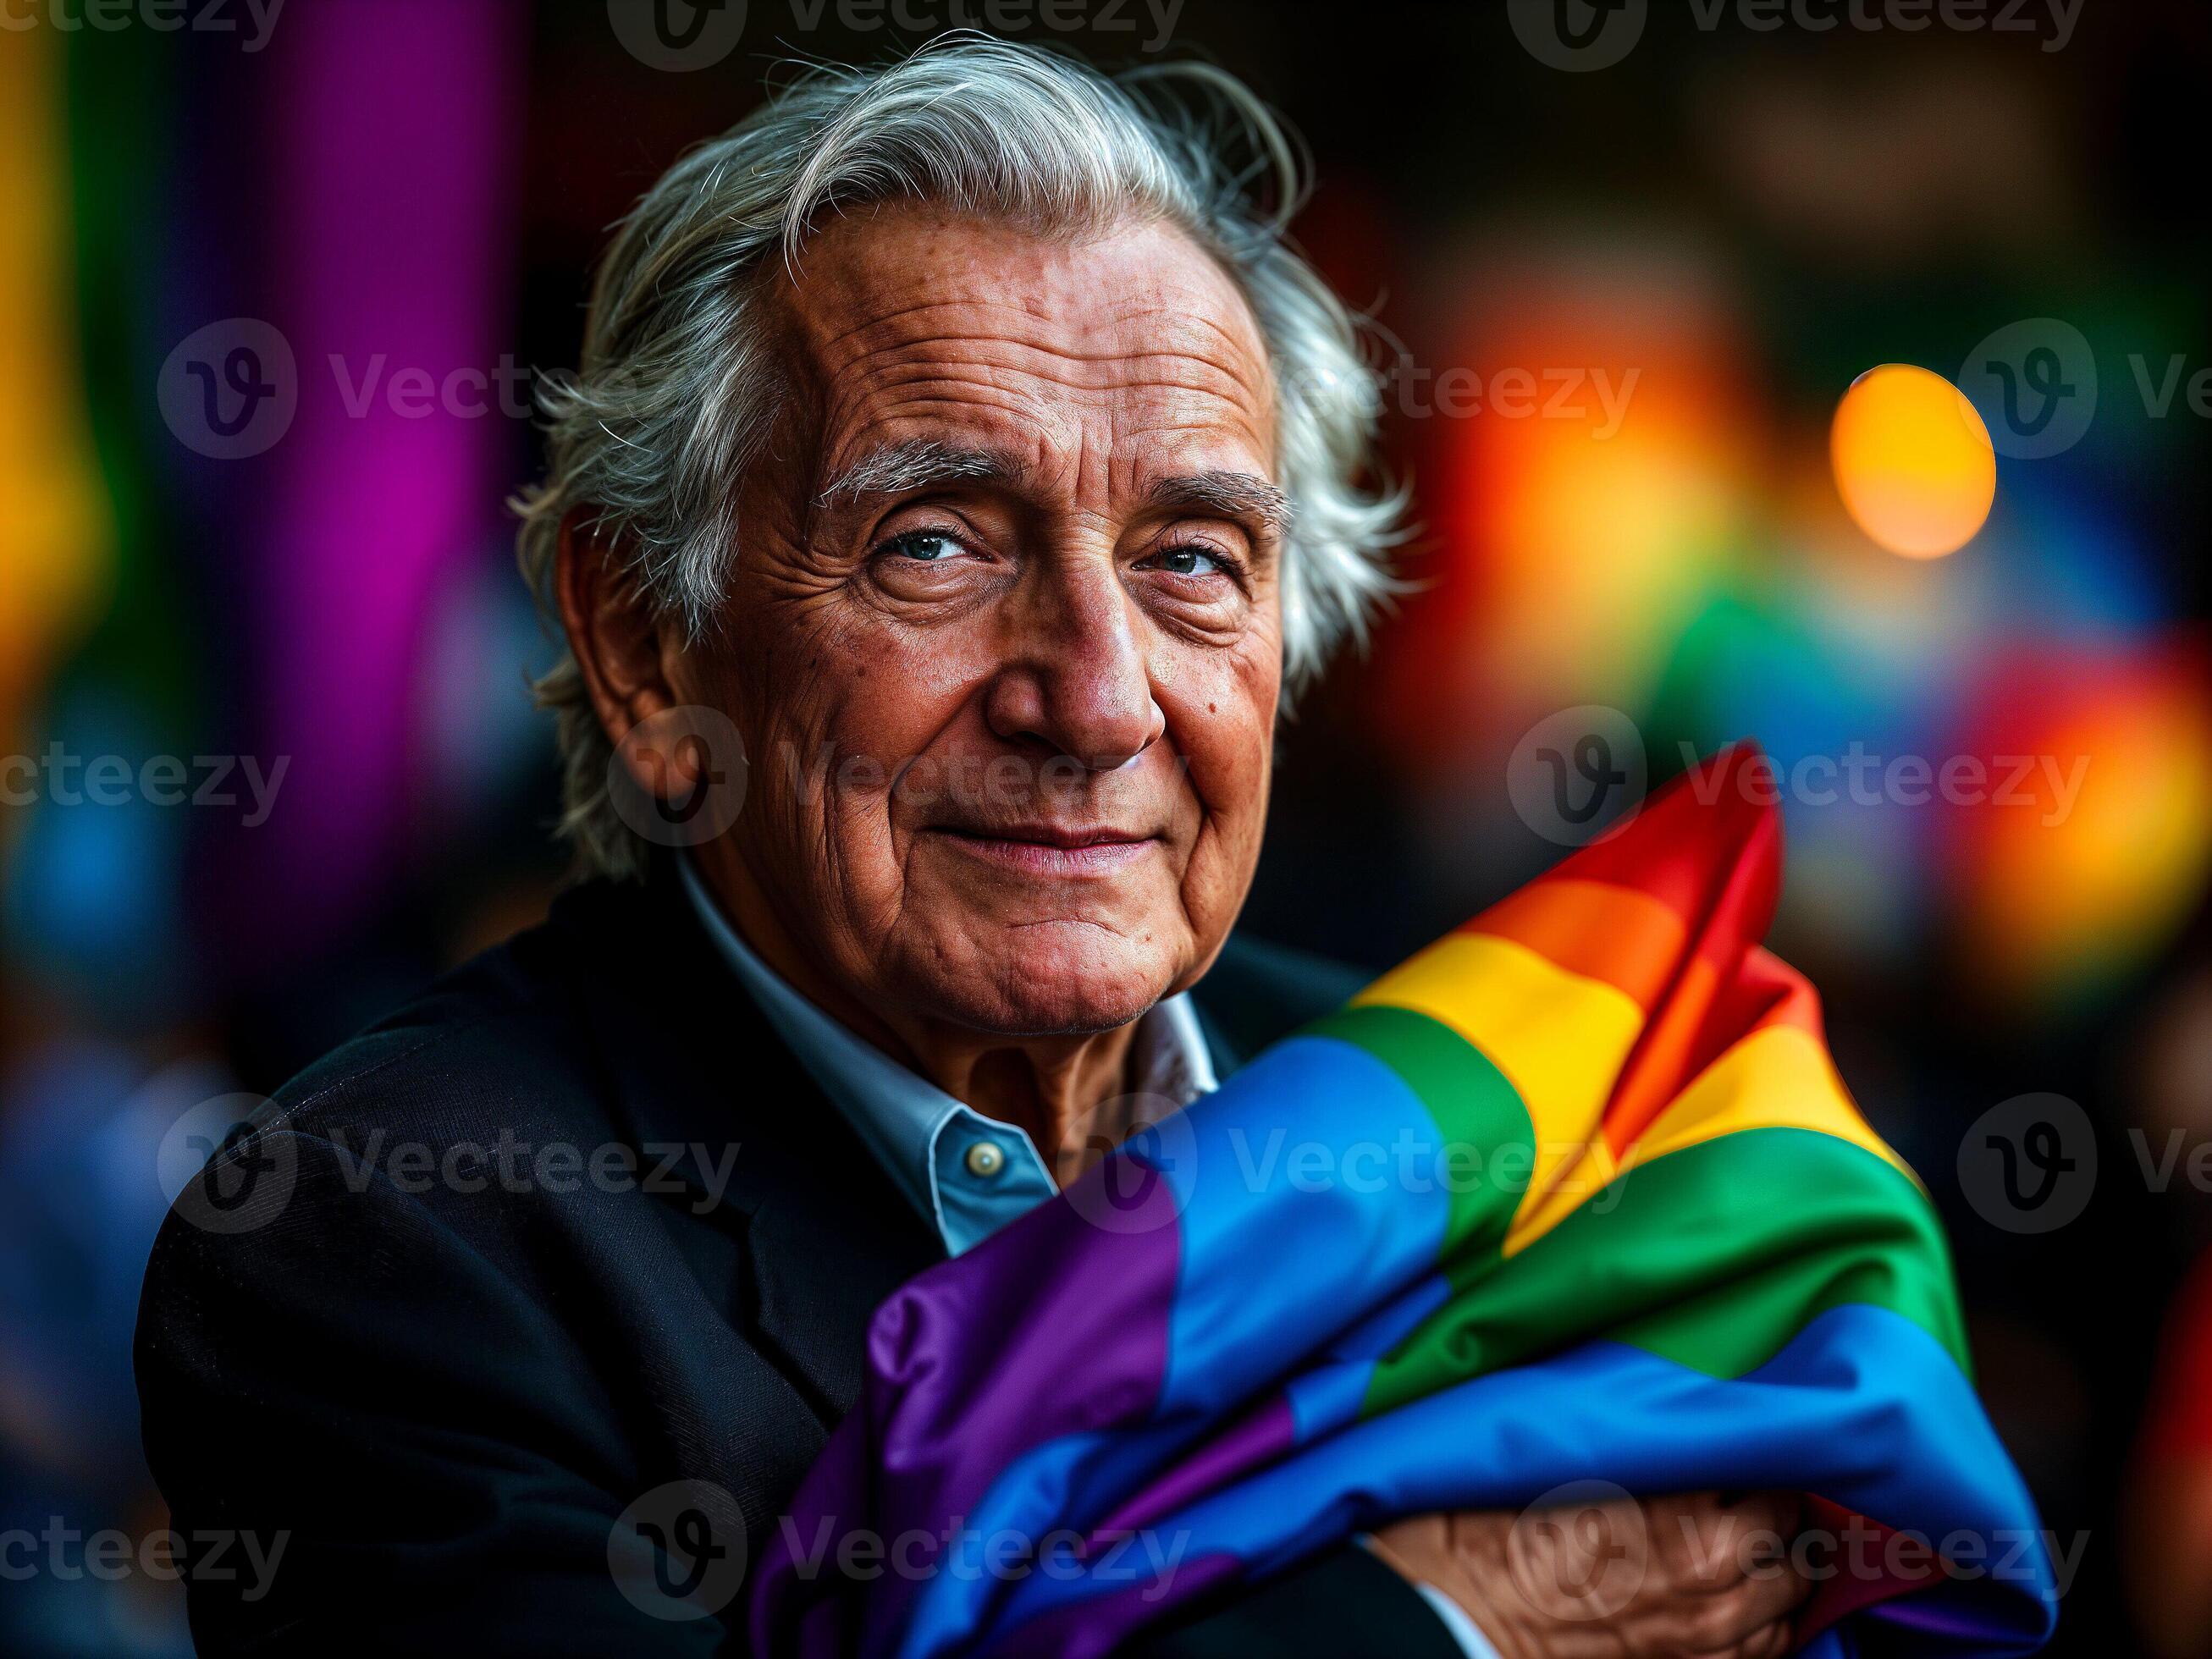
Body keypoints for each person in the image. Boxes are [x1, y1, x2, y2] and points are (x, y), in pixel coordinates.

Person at [136, 35, 1807, 1656]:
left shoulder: (1468, 1119)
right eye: (933, 542)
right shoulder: (393, 1241)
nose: (1094, 699)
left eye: (1192, 560)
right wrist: (1439, 1624)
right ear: (648, 639)